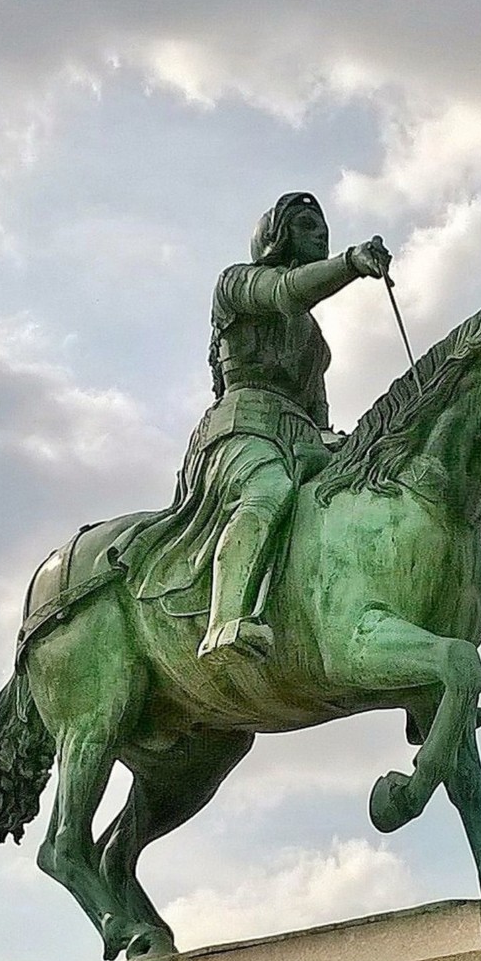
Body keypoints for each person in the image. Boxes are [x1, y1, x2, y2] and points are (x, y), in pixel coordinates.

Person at [133, 192, 392, 658]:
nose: (321, 233)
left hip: (300, 439)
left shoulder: (312, 336)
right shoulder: (236, 284)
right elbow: (286, 293)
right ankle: (226, 621)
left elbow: (317, 406)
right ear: (277, 236)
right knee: (267, 492)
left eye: (323, 227)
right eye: (308, 225)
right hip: (240, 431)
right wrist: (350, 262)